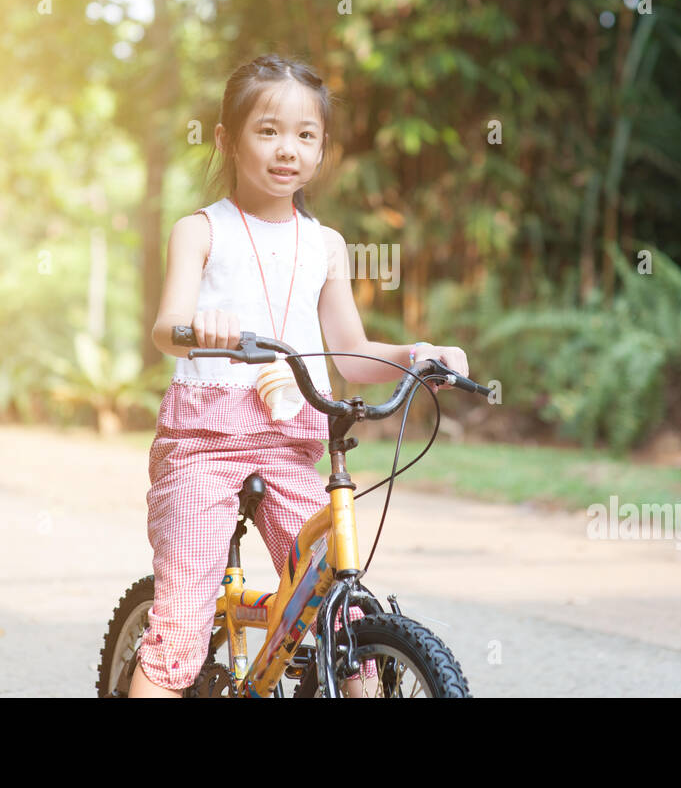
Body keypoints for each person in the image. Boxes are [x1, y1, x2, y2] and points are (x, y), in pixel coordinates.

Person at [131, 53, 470, 697]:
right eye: (268, 131)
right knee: (180, 627)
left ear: (321, 151)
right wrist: (198, 329)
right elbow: (164, 326)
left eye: (305, 136)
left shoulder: (326, 245)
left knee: (345, 615)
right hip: (204, 445)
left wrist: (416, 352)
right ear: (229, 141)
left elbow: (348, 353)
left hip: (291, 442)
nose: (288, 150)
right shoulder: (200, 231)